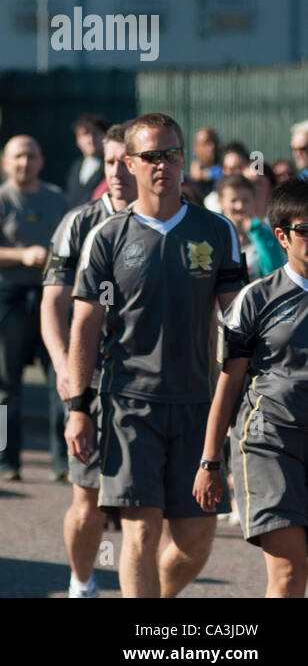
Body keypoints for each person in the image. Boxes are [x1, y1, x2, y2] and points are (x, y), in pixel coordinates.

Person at [67, 112, 246, 598]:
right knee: (141, 532)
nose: (162, 164)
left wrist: (244, 393)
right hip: (129, 404)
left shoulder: (216, 231)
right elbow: (84, 324)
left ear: (184, 160)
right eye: (151, 156)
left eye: (171, 154)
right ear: (130, 163)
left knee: (194, 539)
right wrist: (78, 407)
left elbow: (237, 319)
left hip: (197, 404)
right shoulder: (108, 237)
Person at [197, 179, 308, 596]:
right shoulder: (255, 299)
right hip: (269, 444)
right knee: (290, 572)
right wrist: (211, 462)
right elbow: (228, 385)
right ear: (282, 236)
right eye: (305, 229)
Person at [40, 122, 137, 598]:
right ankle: (82, 582)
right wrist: (65, 368)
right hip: (92, 379)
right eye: (108, 162)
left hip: (149, 383)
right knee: (90, 502)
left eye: (125, 162)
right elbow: (53, 306)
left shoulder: (173, 222)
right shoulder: (79, 223)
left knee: (147, 509)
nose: (115, 172)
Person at [0, 135, 67, 481]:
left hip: (51, 295)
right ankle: (7, 462)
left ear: (41, 161)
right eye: (17, 157)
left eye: (31, 156)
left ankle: (64, 463)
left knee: (61, 380)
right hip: (8, 295)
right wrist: (21, 255)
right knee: (6, 386)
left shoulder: (57, 199)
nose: (24, 162)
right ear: (5, 163)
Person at [216, 174, 285, 280]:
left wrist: (256, 233)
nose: (240, 206)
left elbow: (275, 272)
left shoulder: (266, 234)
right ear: (220, 201)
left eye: (245, 200)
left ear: (254, 200)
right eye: (233, 201)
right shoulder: (215, 236)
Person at [64, 114, 107, 208]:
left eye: (96, 133)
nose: (91, 139)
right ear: (77, 141)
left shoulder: (113, 167)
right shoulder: (75, 167)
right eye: (85, 134)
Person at [189, 127, 223, 200]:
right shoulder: (192, 177)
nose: (212, 147)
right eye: (206, 143)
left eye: (214, 141)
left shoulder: (226, 167)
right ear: (196, 148)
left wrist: (205, 174)